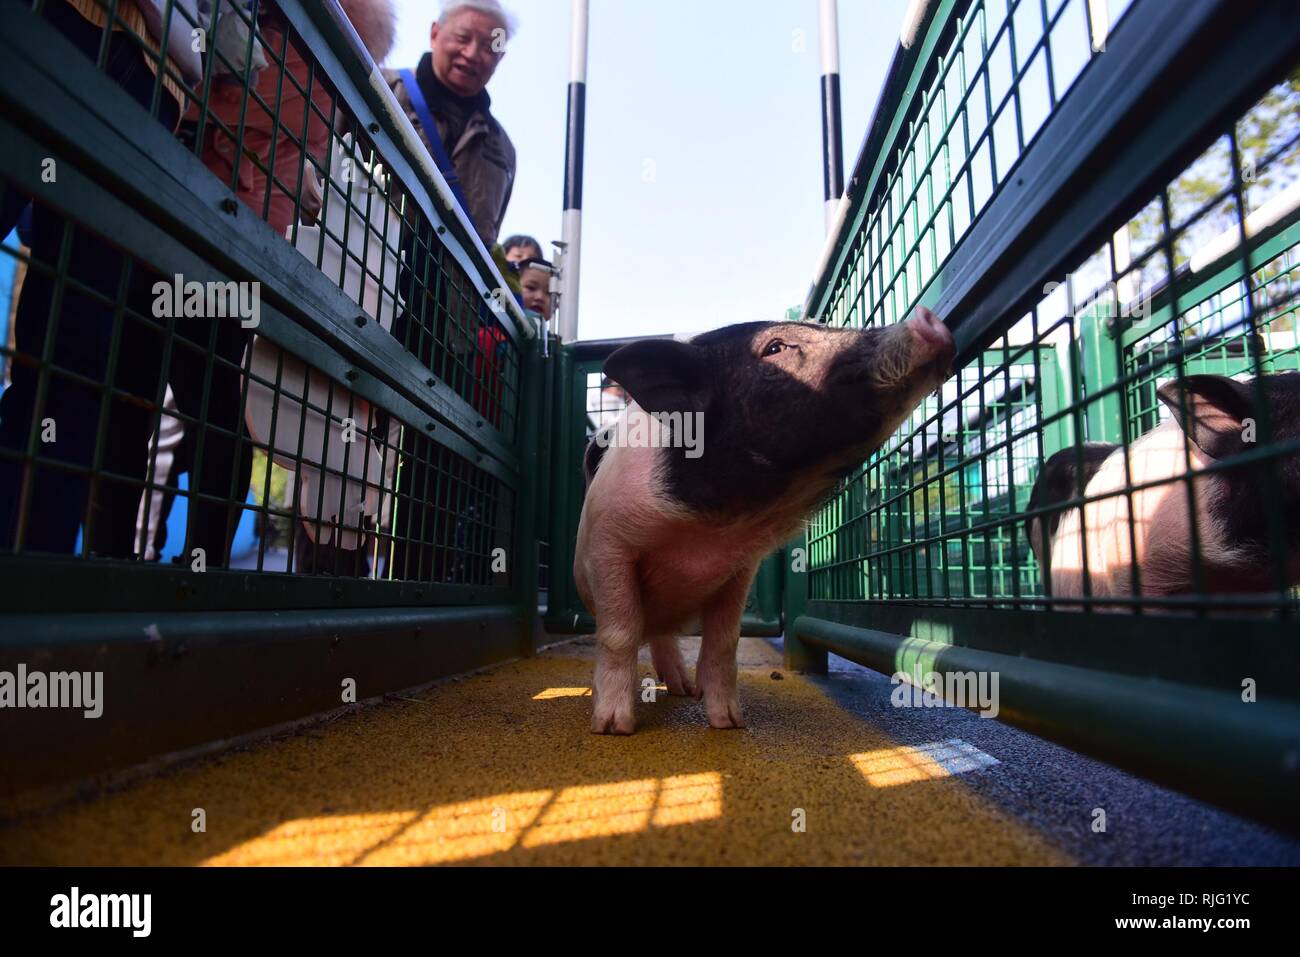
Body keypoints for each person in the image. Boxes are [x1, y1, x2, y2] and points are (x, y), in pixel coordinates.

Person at [0, 0, 201, 556]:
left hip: (148, 88)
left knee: (74, 356)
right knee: (71, 359)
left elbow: (218, 53)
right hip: (60, 24)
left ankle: (33, 564)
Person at [383, 0, 517, 248]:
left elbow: (487, 241)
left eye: (489, 47)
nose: (472, 54)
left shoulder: (503, 151)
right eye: (462, 38)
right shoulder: (382, 88)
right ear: (435, 34)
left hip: (440, 287)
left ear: (500, 58)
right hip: (355, 269)